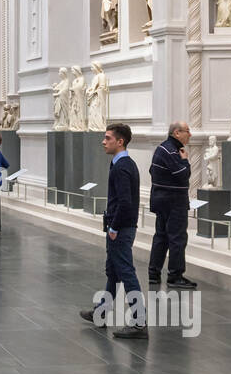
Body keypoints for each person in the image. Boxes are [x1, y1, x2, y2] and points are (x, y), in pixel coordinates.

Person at [80, 123, 146, 338]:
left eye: (108, 138)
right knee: (114, 272)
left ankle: (139, 322)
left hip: (121, 228)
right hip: (120, 226)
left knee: (126, 273)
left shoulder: (122, 167)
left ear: (120, 141)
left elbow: (125, 203)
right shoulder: (121, 164)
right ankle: (101, 312)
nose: (103, 141)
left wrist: (115, 227)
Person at [148, 122, 197, 289]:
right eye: (187, 131)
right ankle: (175, 276)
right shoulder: (171, 150)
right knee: (177, 238)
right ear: (177, 133)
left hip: (162, 199)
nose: (190, 135)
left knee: (161, 236)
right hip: (173, 201)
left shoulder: (163, 148)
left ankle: (154, 274)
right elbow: (182, 175)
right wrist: (185, 161)